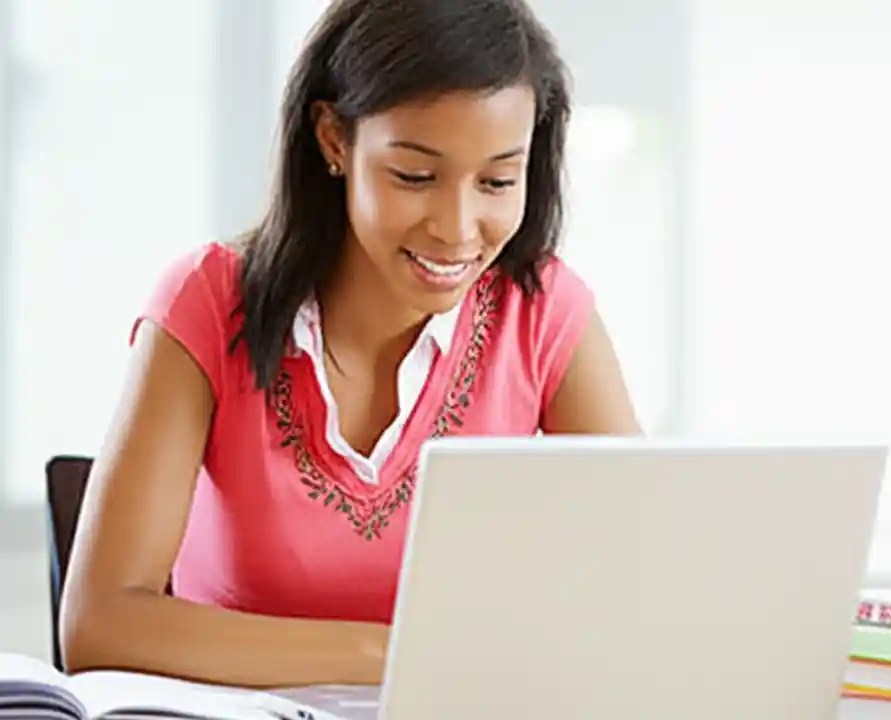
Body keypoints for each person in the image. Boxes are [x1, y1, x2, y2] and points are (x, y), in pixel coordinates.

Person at [58, 0, 639, 689]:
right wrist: (392, 654)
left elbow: (642, 591)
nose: (458, 229)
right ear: (335, 140)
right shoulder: (207, 300)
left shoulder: (543, 313)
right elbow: (101, 624)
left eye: (496, 181)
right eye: (415, 176)